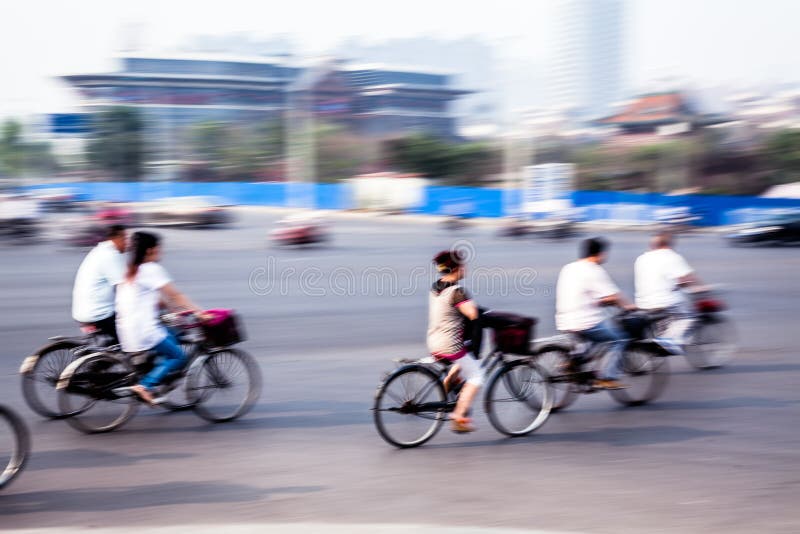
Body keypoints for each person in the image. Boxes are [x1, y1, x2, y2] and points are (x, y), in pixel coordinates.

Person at [115, 231, 204, 405]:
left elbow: (158, 301)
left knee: (173, 334)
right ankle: (145, 386)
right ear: (150, 250)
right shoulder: (151, 269)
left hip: (127, 329)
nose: (161, 252)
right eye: (159, 248)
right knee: (178, 357)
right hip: (143, 332)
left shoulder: (131, 271)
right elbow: (175, 295)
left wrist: (175, 312)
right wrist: (199, 312)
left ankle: (158, 373)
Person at [555, 237, 635, 390]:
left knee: (595, 339)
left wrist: (601, 301)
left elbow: (588, 294)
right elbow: (614, 296)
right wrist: (629, 307)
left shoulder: (569, 268)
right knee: (619, 339)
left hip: (564, 320)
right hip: (584, 322)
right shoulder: (594, 270)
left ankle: (571, 362)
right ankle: (607, 377)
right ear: (600, 254)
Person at [427, 250, 483, 433]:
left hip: (433, 342)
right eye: (463, 265)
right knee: (476, 376)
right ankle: (459, 417)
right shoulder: (457, 291)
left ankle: (450, 380)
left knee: (462, 361)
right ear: (457, 268)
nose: (465, 268)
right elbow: (472, 313)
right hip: (449, 345)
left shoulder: (436, 287)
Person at [634, 232, 701, 345]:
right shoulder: (672, 256)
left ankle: (663, 334)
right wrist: (700, 288)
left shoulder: (641, 258)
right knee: (688, 317)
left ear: (653, 245)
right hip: (664, 303)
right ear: (670, 244)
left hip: (642, 303)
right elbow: (688, 279)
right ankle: (668, 341)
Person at [71, 224, 127, 342]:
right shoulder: (111, 255)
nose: (127, 243)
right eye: (125, 238)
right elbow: (124, 287)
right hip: (100, 314)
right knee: (131, 340)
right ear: (117, 238)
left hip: (82, 311)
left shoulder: (98, 251)